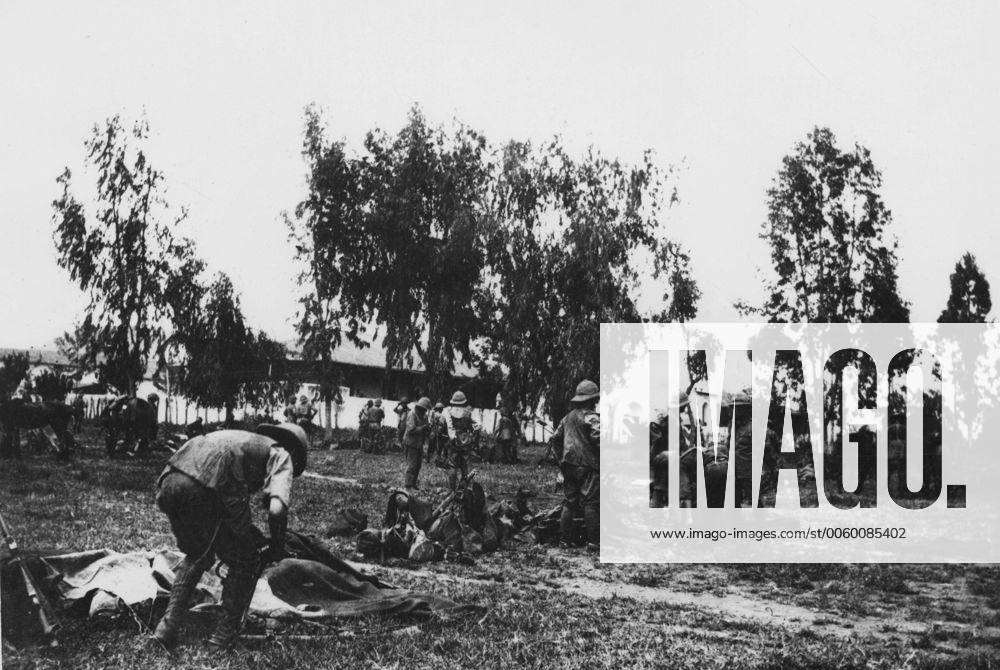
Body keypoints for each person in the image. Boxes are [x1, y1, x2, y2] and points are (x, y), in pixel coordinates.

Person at [151, 423, 308, 652]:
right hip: (203, 490)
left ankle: (166, 628)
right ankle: (222, 639)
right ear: (294, 452)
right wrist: (277, 544)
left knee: (198, 554)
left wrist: (242, 530)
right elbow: (276, 509)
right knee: (246, 561)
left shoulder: (239, 437)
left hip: (169, 483)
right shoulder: (281, 453)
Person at [550, 380, 600, 551]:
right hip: (588, 466)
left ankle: (564, 541)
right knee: (590, 503)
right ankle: (593, 543)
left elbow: (555, 439)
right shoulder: (592, 417)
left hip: (568, 466)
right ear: (592, 400)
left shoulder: (567, 418)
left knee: (569, 502)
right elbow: (599, 439)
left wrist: (560, 460)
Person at [443, 390, 480, 489]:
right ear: (464, 401)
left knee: (452, 465)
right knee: (465, 465)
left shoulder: (448, 412)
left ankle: (452, 489)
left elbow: (445, 425)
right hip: (465, 441)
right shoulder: (468, 412)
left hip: (453, 440)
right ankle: (466, 488)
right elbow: (478, 426)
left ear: (453, 401)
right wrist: (472, 434)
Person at [402, 397, 432, 489]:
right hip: (411, 443)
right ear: (420, 407)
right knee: (412, 464)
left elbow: (425, 427)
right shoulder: (412, 414)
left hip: (419, 443)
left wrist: (428, 429)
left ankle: (413, 483)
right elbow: (411, 429)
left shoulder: (424, 416)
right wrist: (423, 427)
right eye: (424, 409)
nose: (425, 411)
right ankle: (408, 485)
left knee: (418, 465)